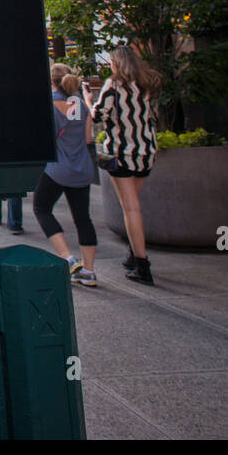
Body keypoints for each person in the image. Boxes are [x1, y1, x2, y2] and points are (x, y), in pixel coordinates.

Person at [88, 45, 160, 285]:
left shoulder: (114, 85)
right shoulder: (146, 84)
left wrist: (88, 100)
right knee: (133, 206)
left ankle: (142, 264)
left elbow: (98, 115)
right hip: (146, 151)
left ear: (117, 63)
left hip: (122, 152)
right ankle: (133, 254)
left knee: (130, 208)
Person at [33, 64, 99, 286]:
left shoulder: (50, 104)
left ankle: (68, 259)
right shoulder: (78, 103)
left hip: (58, 169)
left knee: (41, 208)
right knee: (83, 218)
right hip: (82, 168)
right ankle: (89, 271)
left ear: (51, 81)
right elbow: (88, 139)